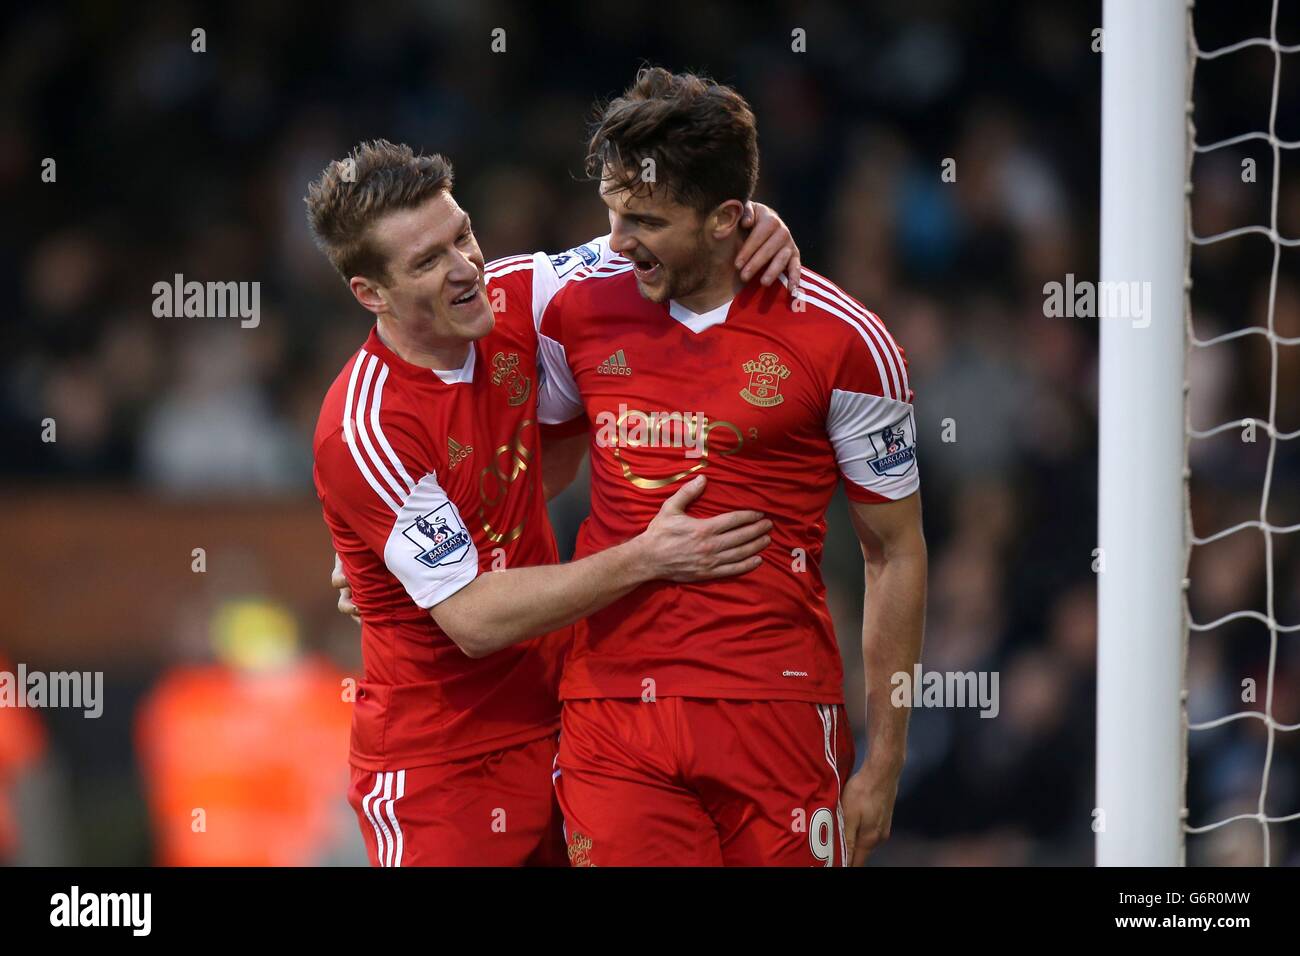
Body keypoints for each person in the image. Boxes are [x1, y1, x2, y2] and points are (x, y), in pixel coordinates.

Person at [306, 139, 799, 866]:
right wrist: (646, 557)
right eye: (427, 262)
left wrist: (753, 220)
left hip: (565, 728)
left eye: (463, 236)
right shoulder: (366, 427)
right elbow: (474, 619)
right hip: (442, 772)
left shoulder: (522, 292)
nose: (465, 268)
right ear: (370, 294)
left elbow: (659, 234)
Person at [532, 68, 928, 866]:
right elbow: (522, 469)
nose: (616, 241)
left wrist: (885, 760)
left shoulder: (848, 341)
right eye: (611, 211)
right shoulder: (572, 305)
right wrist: (388, 553)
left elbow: (894, 552)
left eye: (645, 220)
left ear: (724, 219)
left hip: (777, 710)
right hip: (614, 713)